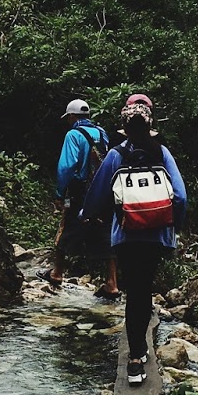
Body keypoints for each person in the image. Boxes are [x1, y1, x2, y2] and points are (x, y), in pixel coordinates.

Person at [81, 93, 186, 384]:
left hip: (126, 235)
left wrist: (86, 215)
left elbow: (98, 194)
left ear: (124, 127)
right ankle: (140, 351)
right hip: (156, 235)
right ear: (151, 123)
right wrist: (174, 227)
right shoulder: (162, 153)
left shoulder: (116, 155)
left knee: (134, 292)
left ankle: (136, 359)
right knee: (144, 288)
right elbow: (180, 196)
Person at [47, 99, 117, 294]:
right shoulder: (102, 133)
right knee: (105, 231)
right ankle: (112, 282)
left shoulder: (73, 135)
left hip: (80, 190)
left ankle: (57, 272)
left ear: (72, 116)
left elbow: (66, 166)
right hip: (102, 189)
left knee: (67, 225)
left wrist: (60, 193)